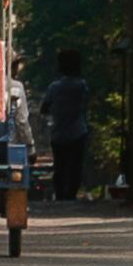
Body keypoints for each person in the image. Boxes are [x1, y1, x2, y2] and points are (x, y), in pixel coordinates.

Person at [43, 44, 92, 206]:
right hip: (78, 130)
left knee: (60, 166)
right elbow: (86, 104)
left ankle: (60, 195)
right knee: (75, 166)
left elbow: (44, 107)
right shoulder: (81, 85)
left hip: (59, 133)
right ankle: (71, 193)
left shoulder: (55, 87)